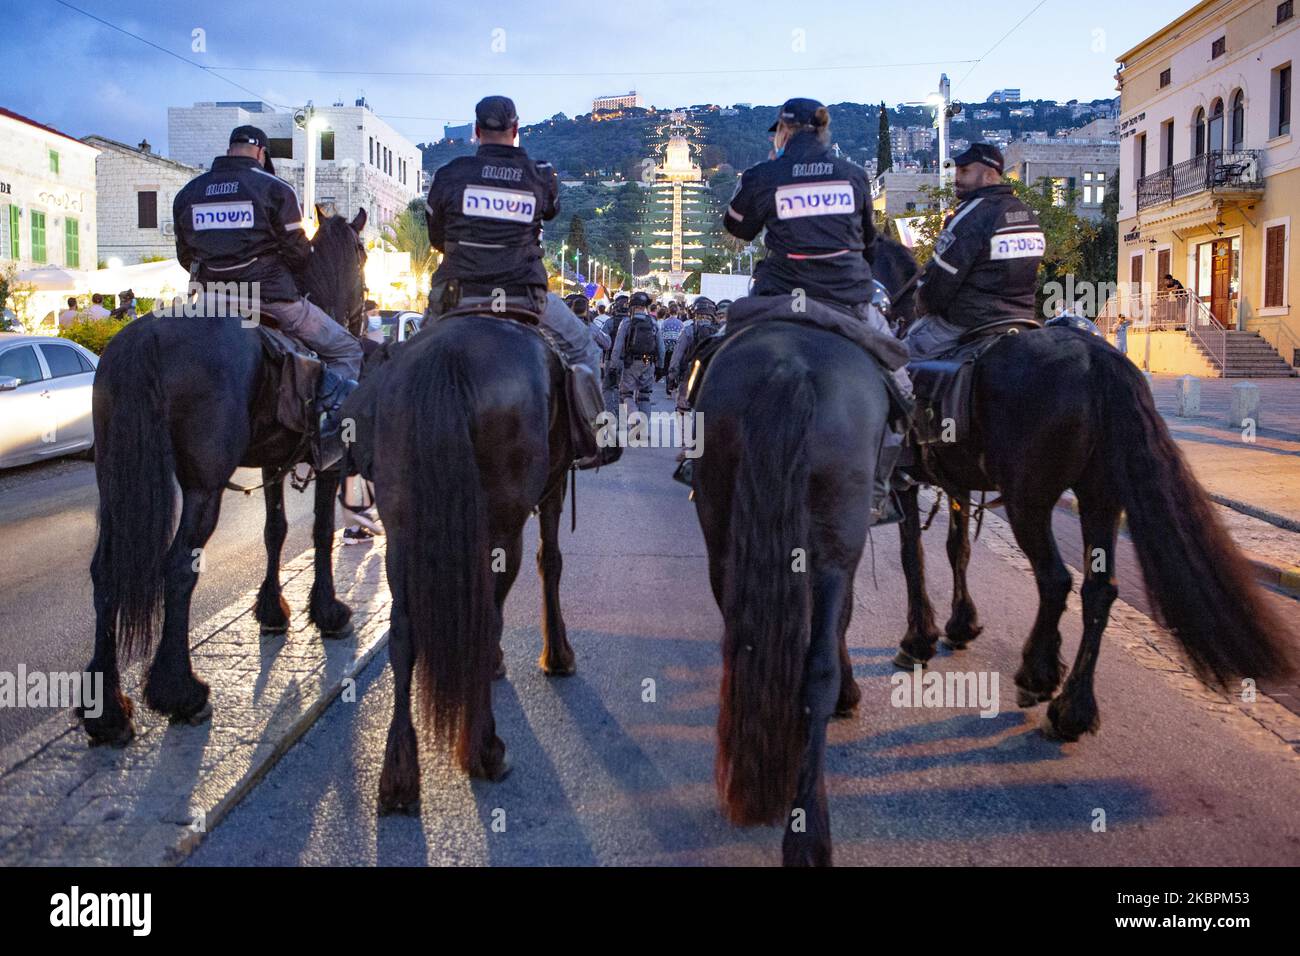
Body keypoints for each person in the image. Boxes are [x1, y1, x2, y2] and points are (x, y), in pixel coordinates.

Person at [723, 98, 908, 524]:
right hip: (847, 301)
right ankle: (878, 489)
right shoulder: (854, 176)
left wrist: (768, 180)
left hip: (777, 299)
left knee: (712, 360)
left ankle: (699, 458)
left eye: (777, 134)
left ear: (784, 132)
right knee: (902, 389)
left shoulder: (765, 175)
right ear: (824, 132)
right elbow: (868, 243)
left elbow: (737, 227)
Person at [424, 96, 616, 468]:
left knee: (407, 361)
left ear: (476, 132)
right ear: (516, 131)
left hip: (457, 294)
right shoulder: (539, 173)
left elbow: (436, 238)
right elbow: (552, 209)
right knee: (585, 351)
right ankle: (597, 439)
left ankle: (371, 452)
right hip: (524, 297)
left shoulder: (450, 174)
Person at [173, 125, 363, 458]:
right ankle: (328, 436)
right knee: (347, 349)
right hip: (270, 302)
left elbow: (184, 256)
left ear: (230, 149)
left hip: (209, 302)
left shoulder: (189, 193)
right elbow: (300, 254)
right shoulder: (274, 189)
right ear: (261, 154)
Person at [905, 143, 1044, 361]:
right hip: (1022, 318)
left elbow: (941, 282)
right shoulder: (1026, 214)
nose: (956, 178)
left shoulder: (971, 214)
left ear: (989, 176)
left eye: (965, 171)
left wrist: (922, 303)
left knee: (894, 361)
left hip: (969, 321)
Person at [610, 290, 665, 419]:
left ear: (632, 306)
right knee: (645, 396)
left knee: (626, 394)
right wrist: (660, 367)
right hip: (648, 362)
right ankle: (644, 428)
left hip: (630, 363)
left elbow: (617, 347)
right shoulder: (653, 322)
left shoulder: (627, 322)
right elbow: (661, 347)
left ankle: (635, 418)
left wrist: (613, 366)